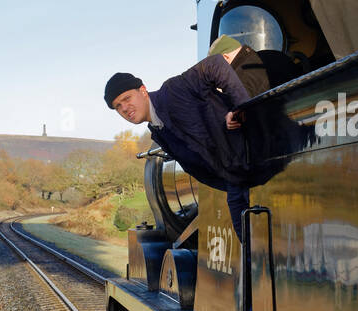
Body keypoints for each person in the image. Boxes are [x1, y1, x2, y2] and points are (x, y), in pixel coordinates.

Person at [103, 51, 253, 241]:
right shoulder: (159, 131)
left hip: (252, 162)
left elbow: (215, 65)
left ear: (143, 90)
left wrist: (242, 109)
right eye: (118, 106)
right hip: (237, 183)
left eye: (127, 98)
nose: (124, 108)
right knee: (251, 250)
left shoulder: (172, 91)